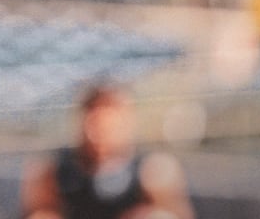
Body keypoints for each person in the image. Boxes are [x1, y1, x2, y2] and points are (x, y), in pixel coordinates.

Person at [19, 83, 194, 219]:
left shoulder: (153, 171)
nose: (101, 132)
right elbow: (38, 212)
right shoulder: (51, 170)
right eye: (95, 122)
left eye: (110, 124)